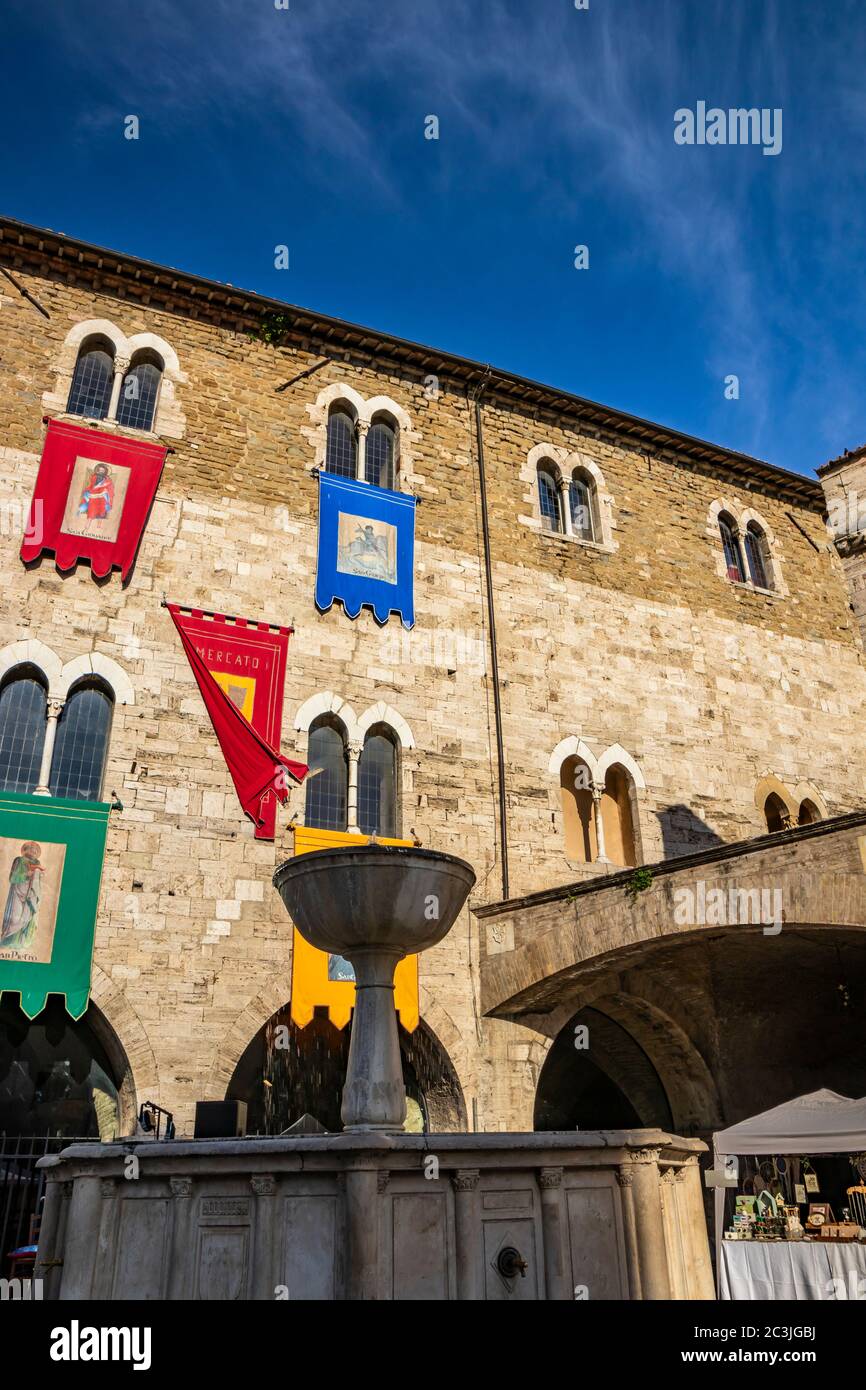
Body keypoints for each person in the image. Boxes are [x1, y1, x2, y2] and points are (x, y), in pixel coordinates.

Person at [1, 842, 44, 952]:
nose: (33, 851)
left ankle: (21, 943)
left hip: (31, 894)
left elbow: (38, 881)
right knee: (15, 918)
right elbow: (13, 878)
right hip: (17, 893)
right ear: (25, 849)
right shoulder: (19, 860)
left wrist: (38, 876)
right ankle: (8, 941)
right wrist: (26, 874)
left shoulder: (37, 863)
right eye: (31, 849)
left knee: (27, 917)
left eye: (35, 850)